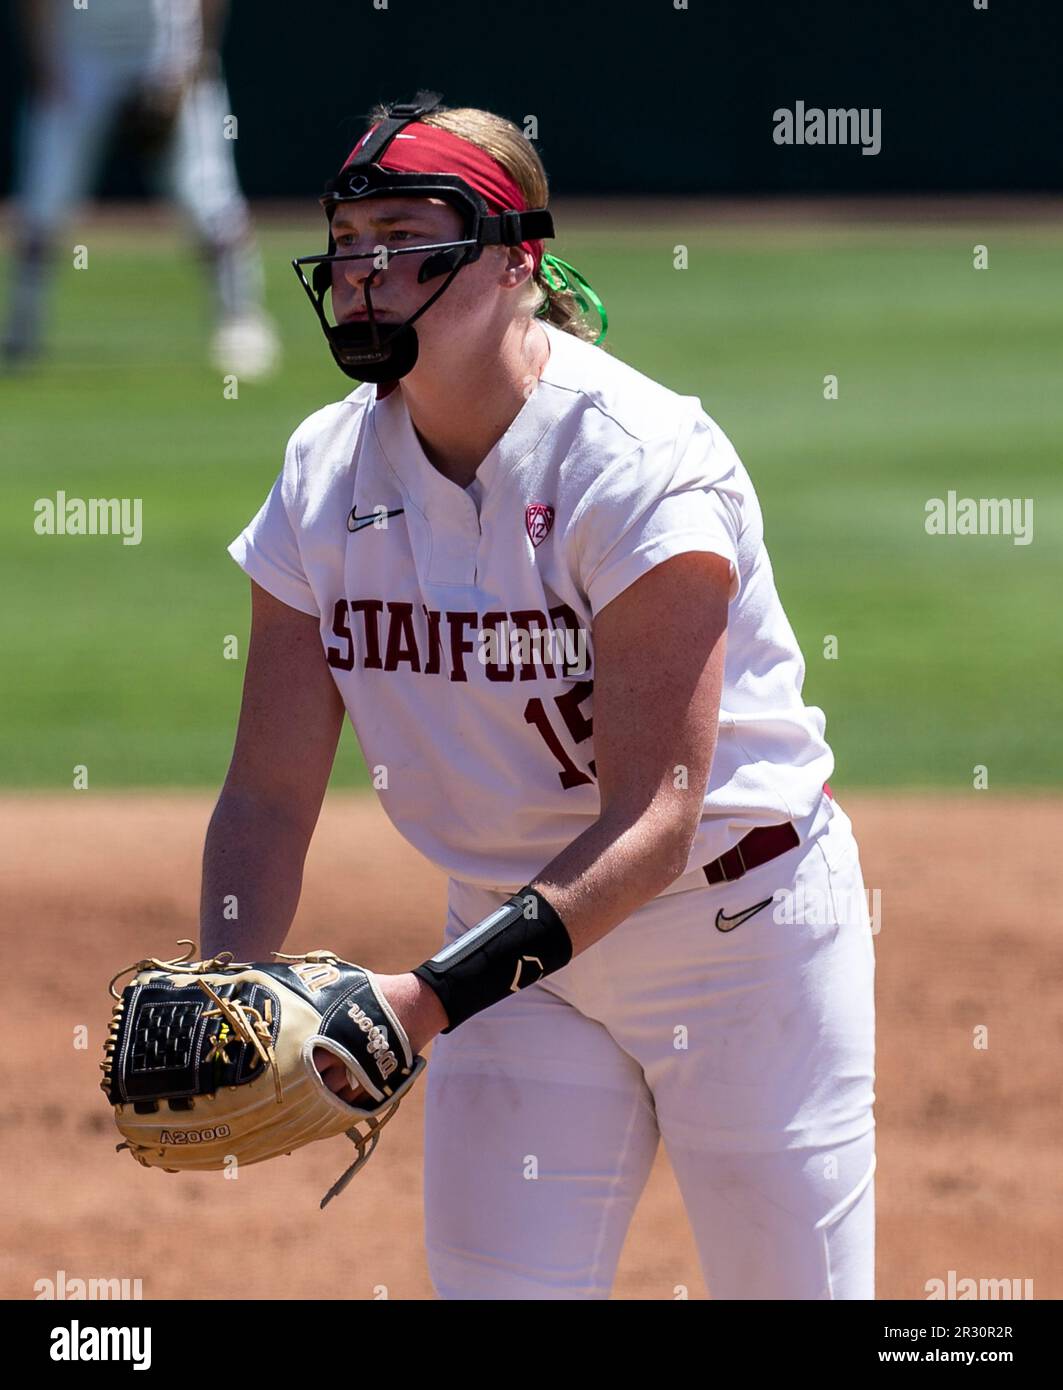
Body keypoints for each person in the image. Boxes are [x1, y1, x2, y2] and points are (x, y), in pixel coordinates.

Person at [204, 92, 877, 1300]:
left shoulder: (634, 462)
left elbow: (657, 817)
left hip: (738, 941)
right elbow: (265, 792)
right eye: (348, 245)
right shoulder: (321, 474)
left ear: (516, 258)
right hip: (511, 959)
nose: (363, 275)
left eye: (404, 239)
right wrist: (225, 987)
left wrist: (420, 1004)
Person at [2, 0, 279, 379]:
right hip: (80, 49)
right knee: (46, 196)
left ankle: (240, 319)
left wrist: (196, 59)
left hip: (165, 44)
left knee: (205, 194)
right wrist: (45, 59)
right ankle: (21, 329)